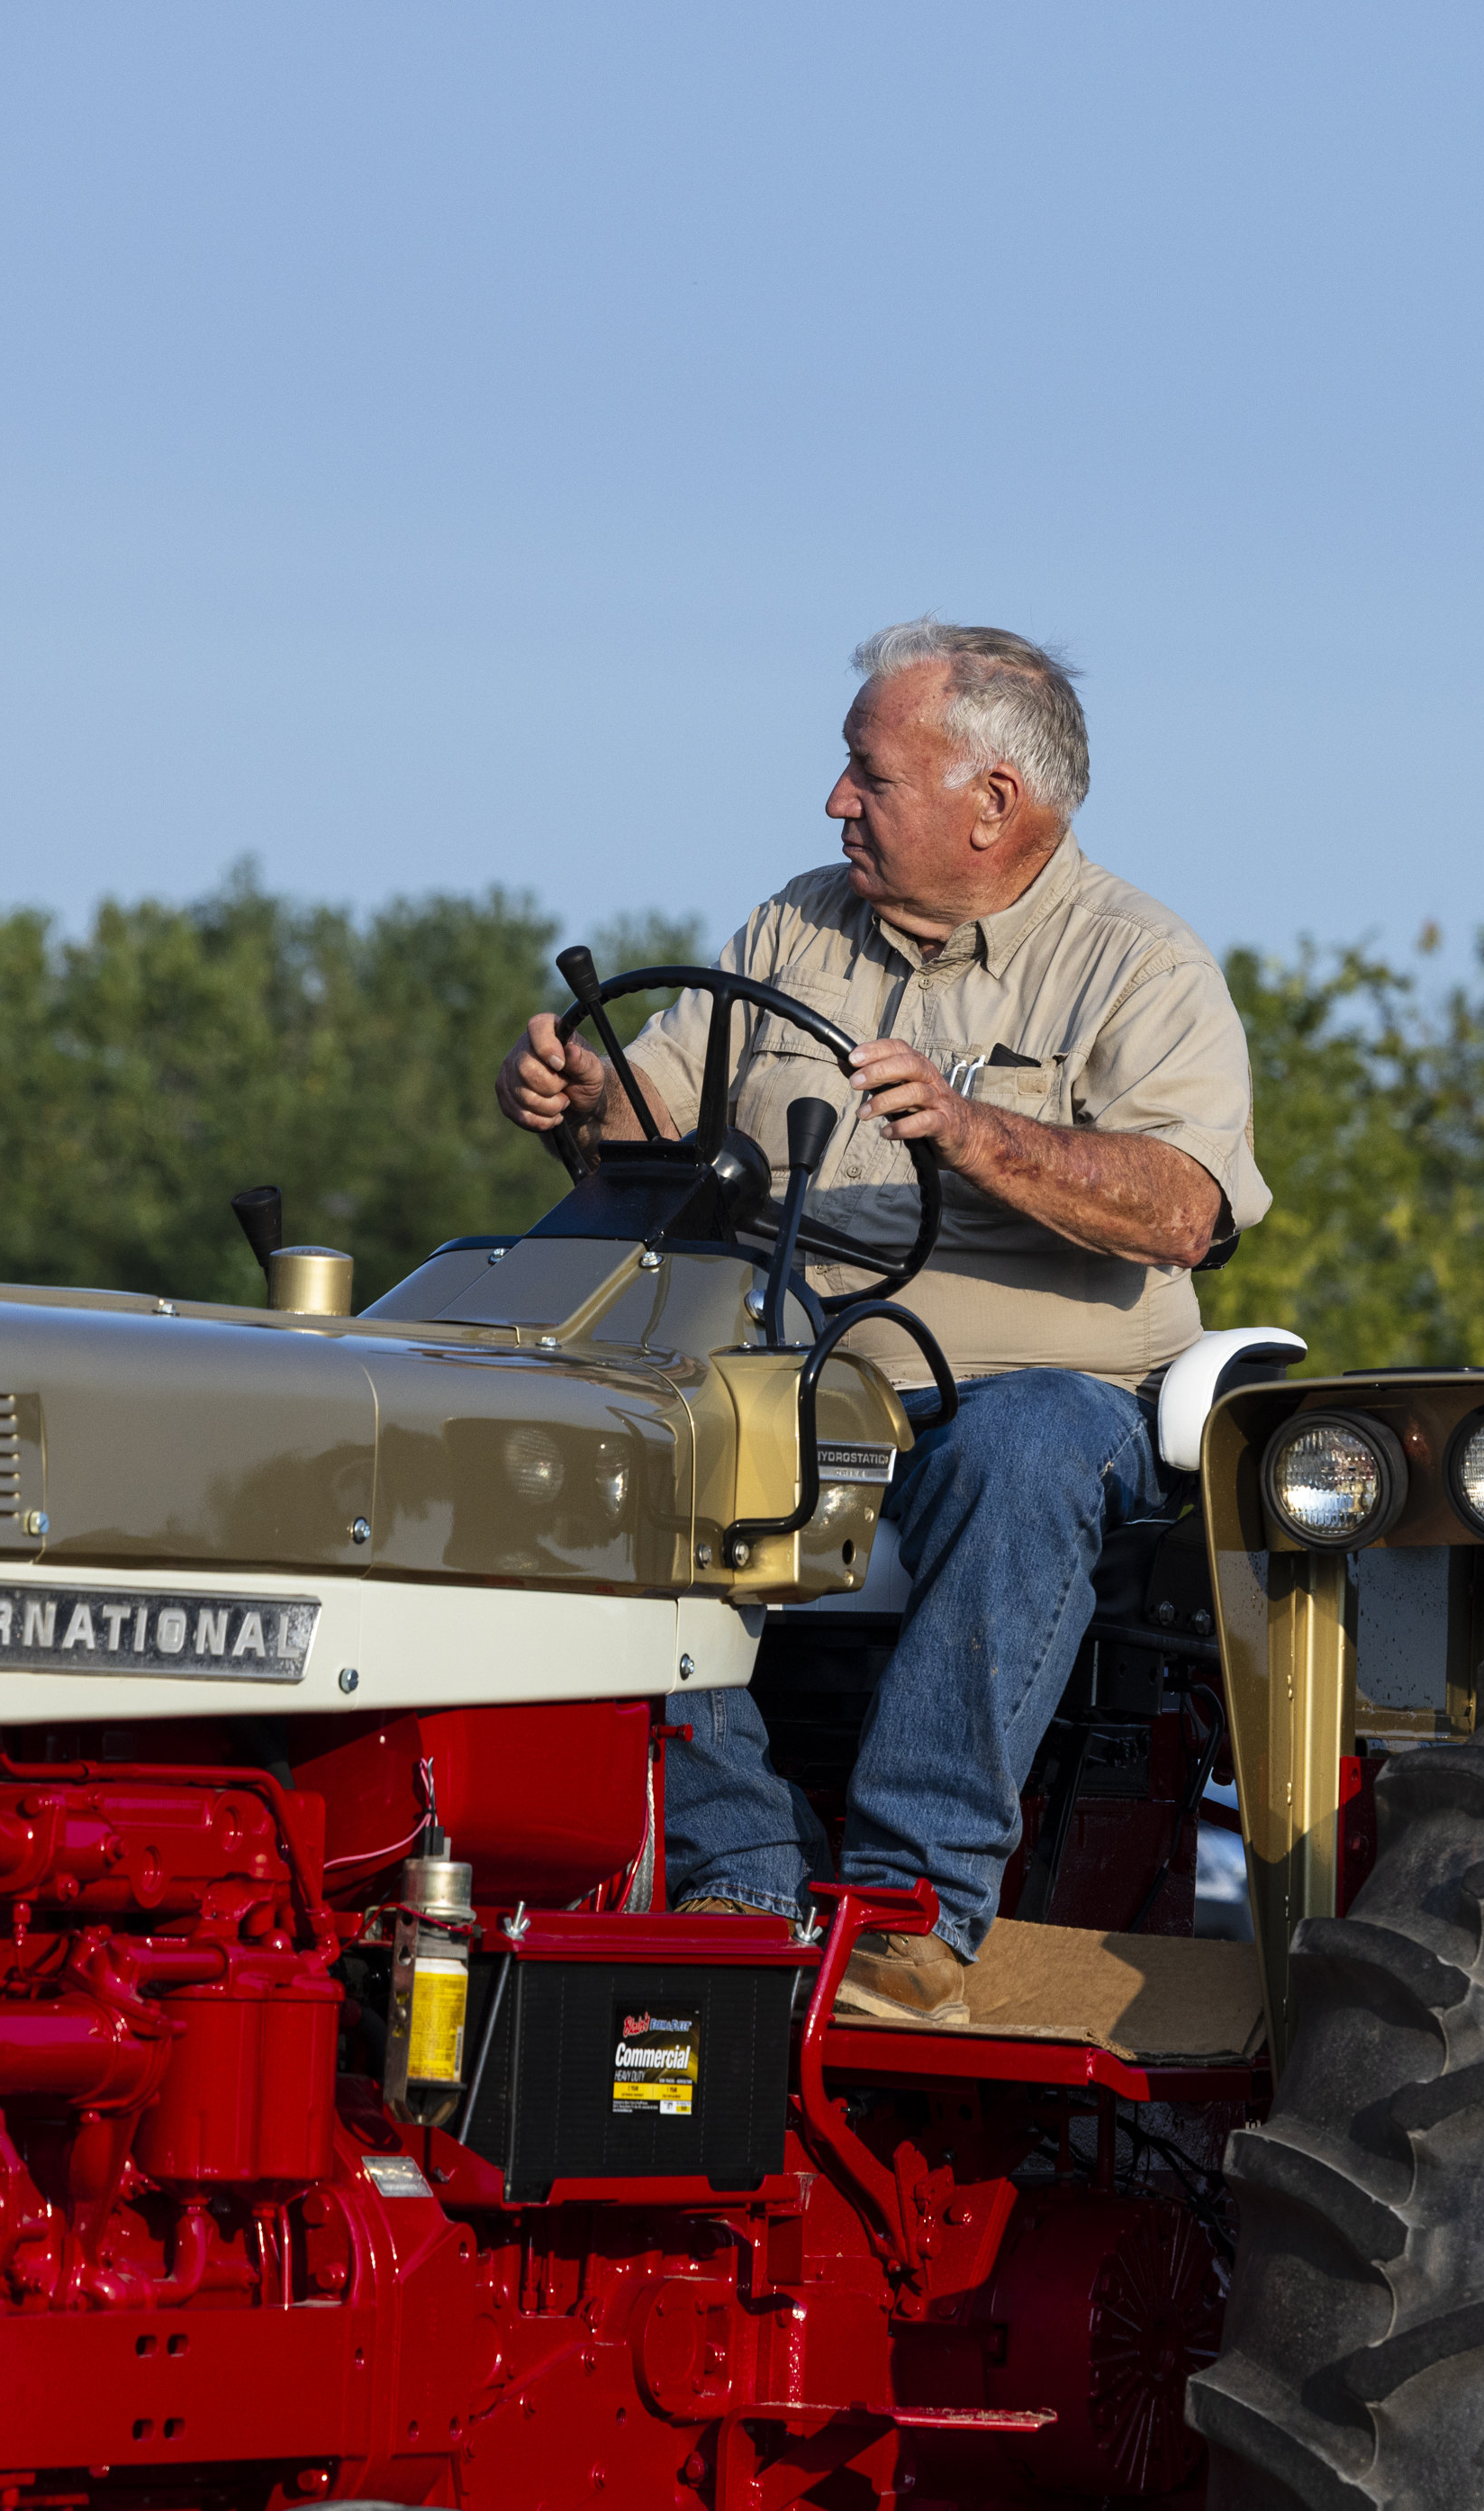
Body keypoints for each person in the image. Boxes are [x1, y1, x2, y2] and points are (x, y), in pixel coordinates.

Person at [493, 620, 1270, 2026]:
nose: (837, 803)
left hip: (1036, 1386)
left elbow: (1179, 1206)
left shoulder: (1141, 966)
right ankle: (740, 1871)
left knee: (1030, 1447)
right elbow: (665, 1115)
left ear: (995, 802)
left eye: (869, 775)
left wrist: (978, 1131)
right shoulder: (796, 923)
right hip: (798, 1372)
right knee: (615, 1438)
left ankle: (913, 1914)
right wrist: (579, 1097)